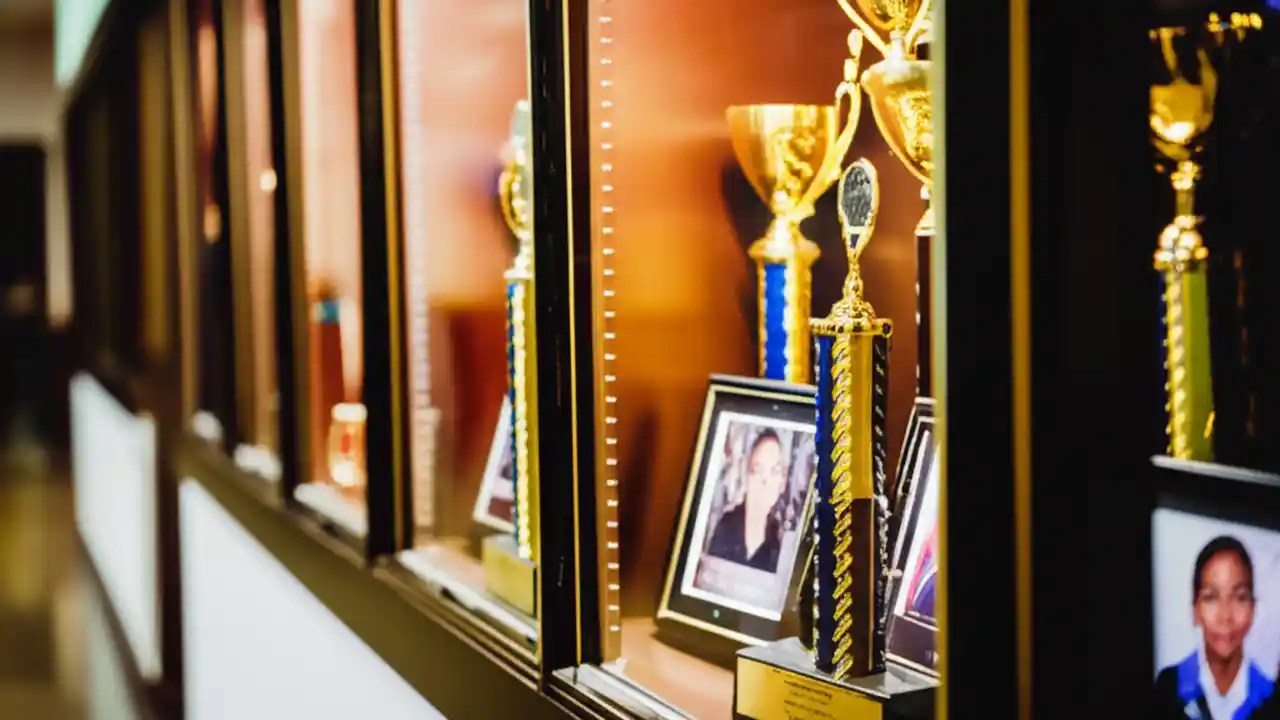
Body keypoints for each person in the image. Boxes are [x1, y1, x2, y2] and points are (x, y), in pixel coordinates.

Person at [1154, 536, 1276, 719]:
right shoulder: (1168, 688)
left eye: (1239, 597)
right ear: (1195, 610)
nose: (1225, 616)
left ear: (1252, 609)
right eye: (1211, 597)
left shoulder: (1270, 698)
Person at [705, 428, 789, 573]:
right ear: (747, 476)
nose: (765, 482)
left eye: (774, 472)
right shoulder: (725, 525)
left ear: (783, 483)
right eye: (758, 470)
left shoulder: (778, 545)